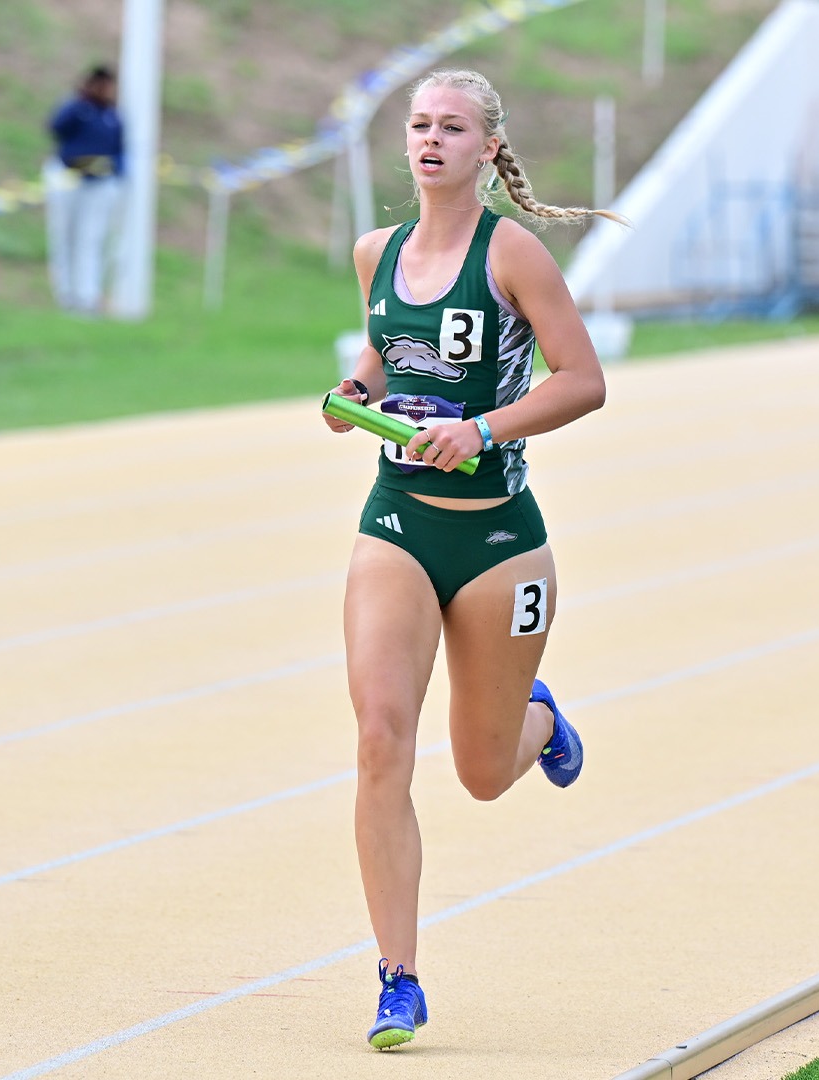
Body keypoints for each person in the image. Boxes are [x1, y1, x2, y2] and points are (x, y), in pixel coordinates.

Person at [321, 68, 622, 1051]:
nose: (430, 140)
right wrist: (355, 393)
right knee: (380, 738)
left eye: (452, 127)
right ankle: (397, 979)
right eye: (419, 124)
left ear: (488, 147)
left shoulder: (513, 254)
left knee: (483, 774)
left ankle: (541, 718)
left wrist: (482, 429)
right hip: (397, 523)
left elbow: (584, 380)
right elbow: (387, 357)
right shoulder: (376, 253)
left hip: (497, 539)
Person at [45, 64, 126, 314]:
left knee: (91, 240)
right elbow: (55, 127)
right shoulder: (78, 108)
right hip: (69, 179)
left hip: (99, 184)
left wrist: (117, 173)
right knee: (65, 236)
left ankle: (88, 296)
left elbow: (119, 150)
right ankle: (66, 295)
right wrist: (78, 101)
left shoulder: (112, 116)